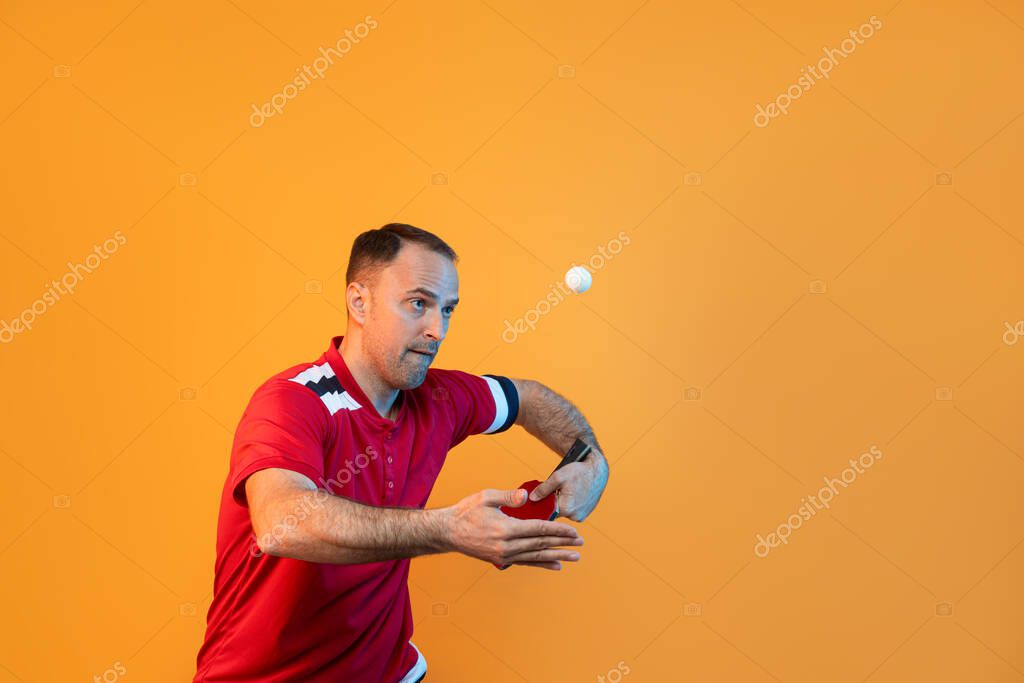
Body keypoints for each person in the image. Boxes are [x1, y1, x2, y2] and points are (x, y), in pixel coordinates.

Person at [194, 223, 610, 682]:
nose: (437, 330)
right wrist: (449, 529)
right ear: (359, 302)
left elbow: (527, 398)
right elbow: (282, 525)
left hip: (389, 671)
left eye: (447, 310)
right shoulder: (293, 401)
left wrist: (591, 460)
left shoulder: (441, 399)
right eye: (418, 304)